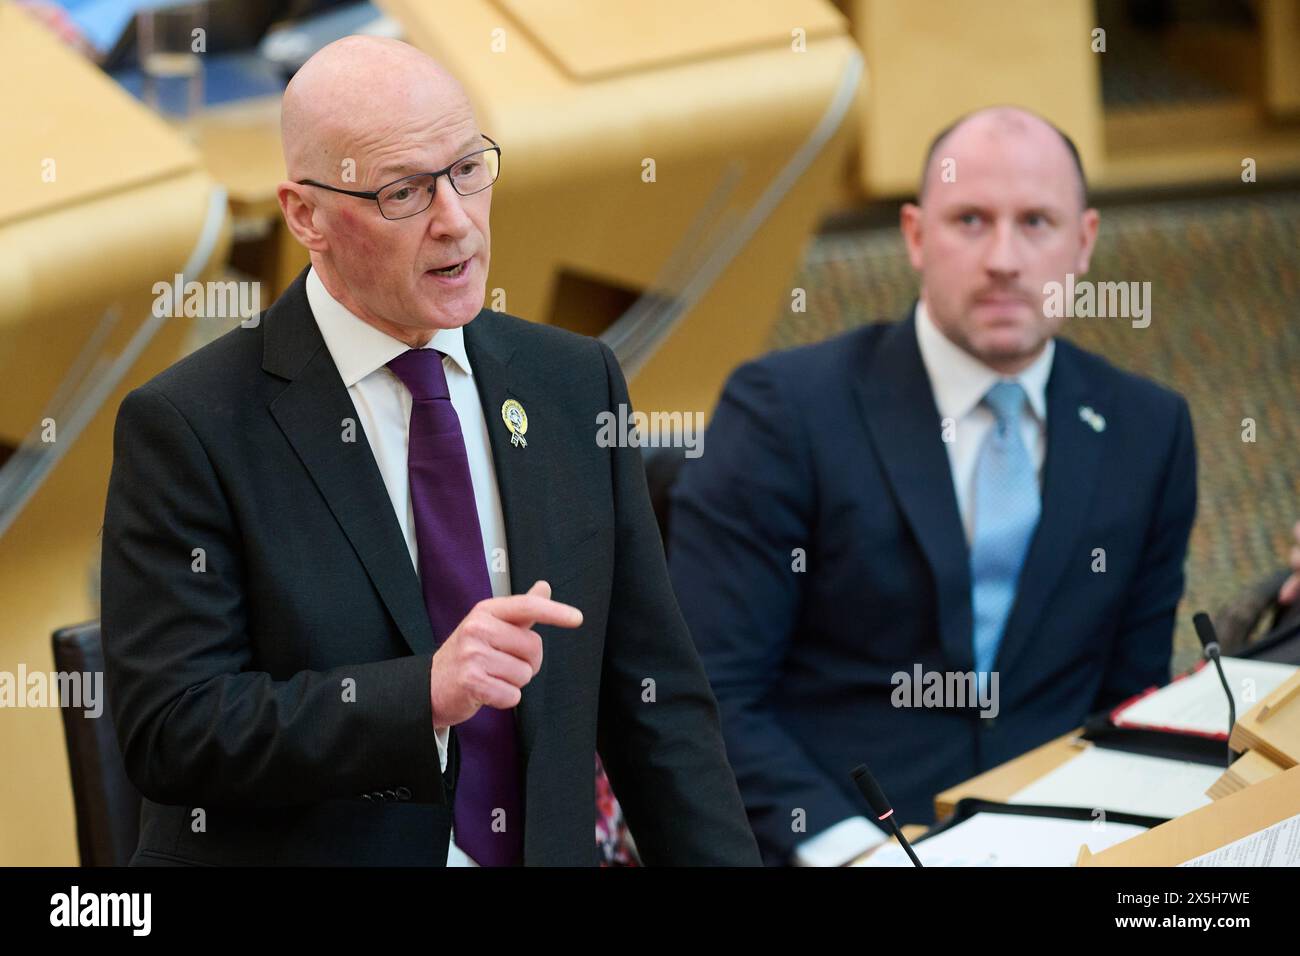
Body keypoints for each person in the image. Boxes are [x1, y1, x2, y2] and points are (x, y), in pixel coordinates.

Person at [101, 36, 759, 867]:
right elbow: (174, 731)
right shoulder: (192, 424)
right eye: (405, 192)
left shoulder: (572, 383)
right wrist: (422, 697)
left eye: (467, 170)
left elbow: (656, 707)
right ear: (306, 215)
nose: (455, 220)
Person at [668, 106, 1197, 866]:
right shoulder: (785, 411)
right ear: (916, 236)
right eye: (971, 221)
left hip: (1066, 840)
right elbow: (709, 695)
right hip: (843, 837)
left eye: (1038, 222)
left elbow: (1129, 698)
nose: (1005, 259)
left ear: (1083, 243)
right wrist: (857, 853)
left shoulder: (1150, 430)